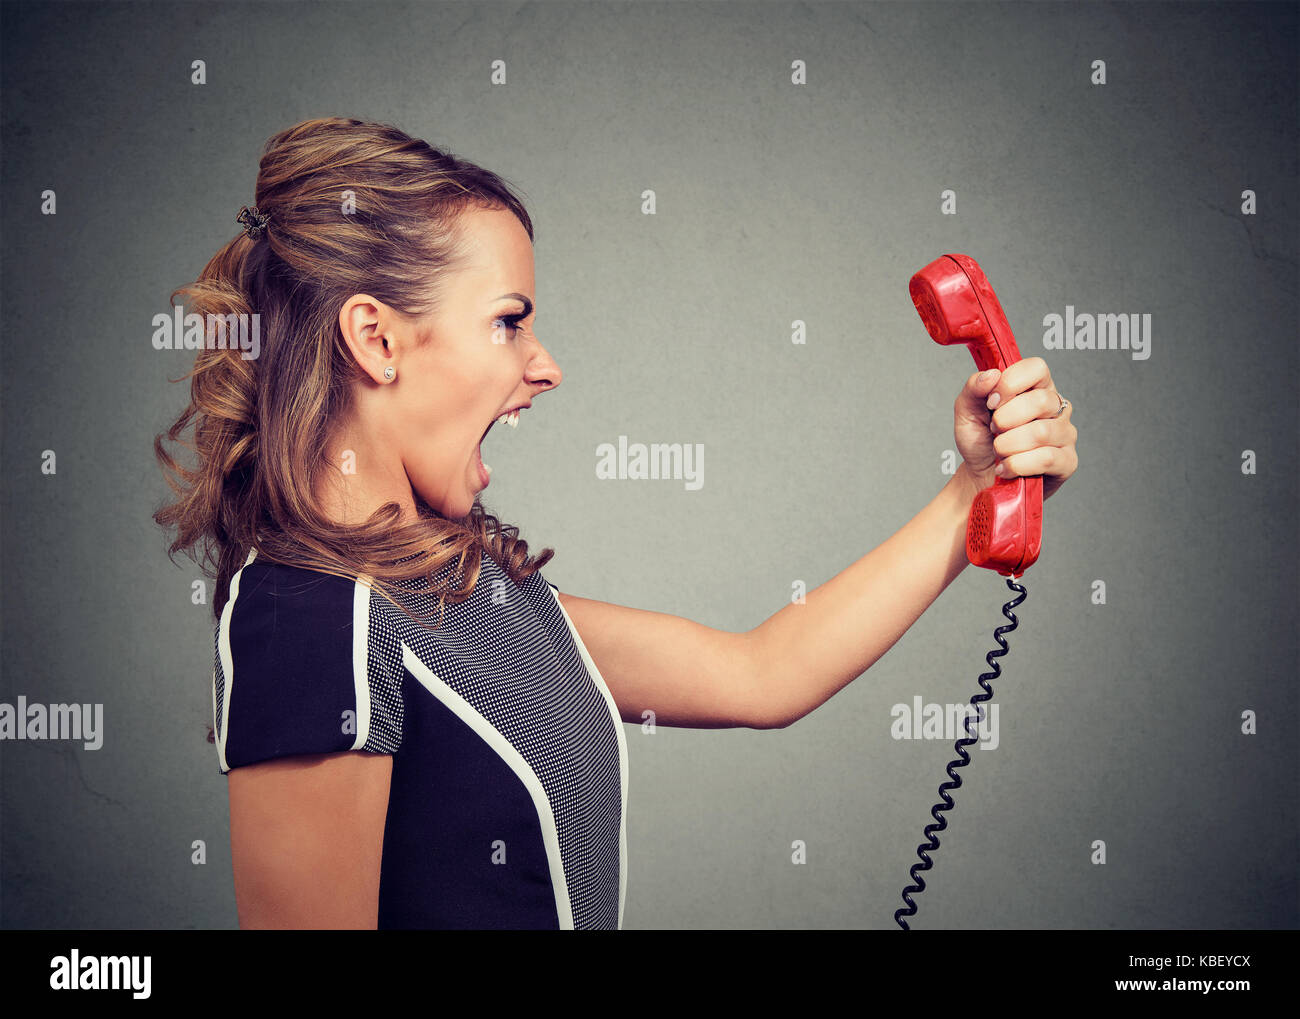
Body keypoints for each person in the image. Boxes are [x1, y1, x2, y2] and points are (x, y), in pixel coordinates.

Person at [153, 116, 1079, 930]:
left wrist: (976, 490)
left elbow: (763, 674)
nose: (546, 365)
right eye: (508, 321)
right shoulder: (309, 621)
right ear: (376, 339)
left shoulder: (468, 589)